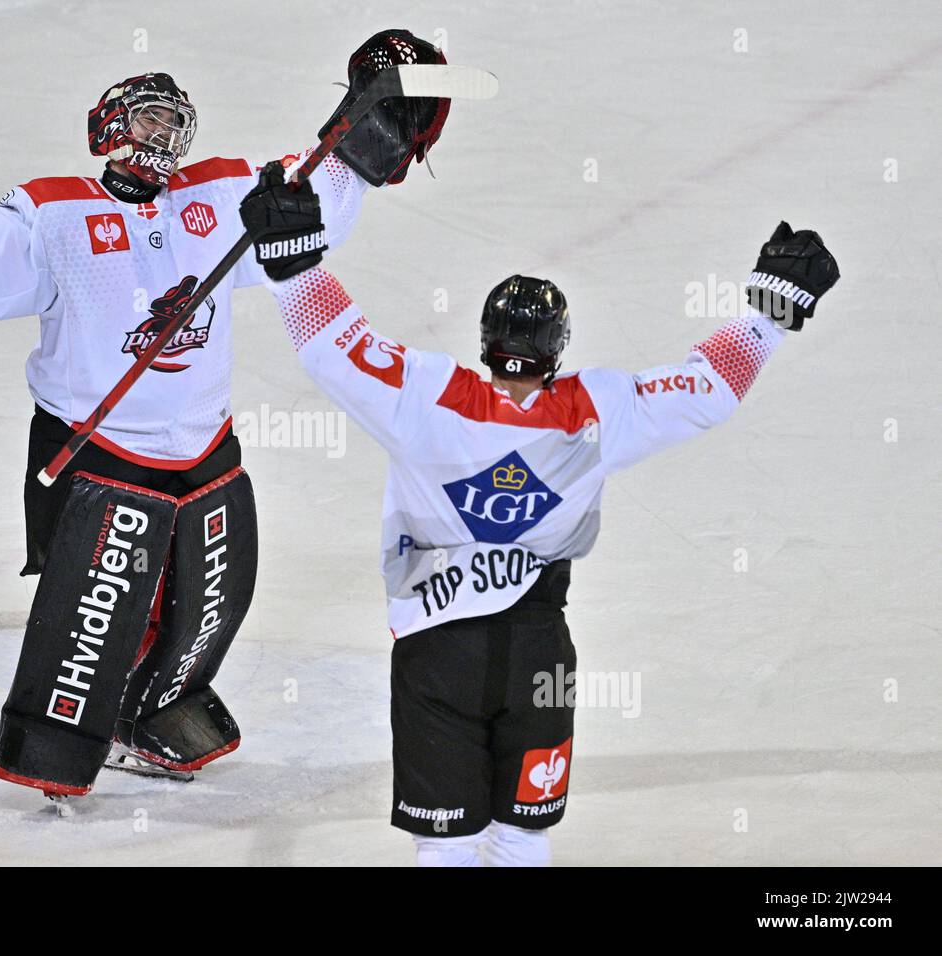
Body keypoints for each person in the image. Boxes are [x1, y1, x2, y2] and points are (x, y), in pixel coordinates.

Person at [0, 30, 452, 800]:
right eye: (145, 122)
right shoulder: (56, 213)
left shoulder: (218, 192)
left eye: (174, 125)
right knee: (107, 614)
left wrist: (373, 124)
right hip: (96, 452)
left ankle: (154, 708)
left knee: (212, 600)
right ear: (108, 126)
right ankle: (65, 735)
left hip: (205, 447)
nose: (160, 139)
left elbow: (314, 200)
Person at [238, 164, 839, 865]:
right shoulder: (599, 409)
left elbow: (333, 346)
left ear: (487, 335)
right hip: (539, 654)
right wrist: (770, 313)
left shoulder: (424, 394)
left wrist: (294, 264)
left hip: (437, 655)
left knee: (447, 841)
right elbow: (709, 388)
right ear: (559, 345)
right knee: (523, 833)